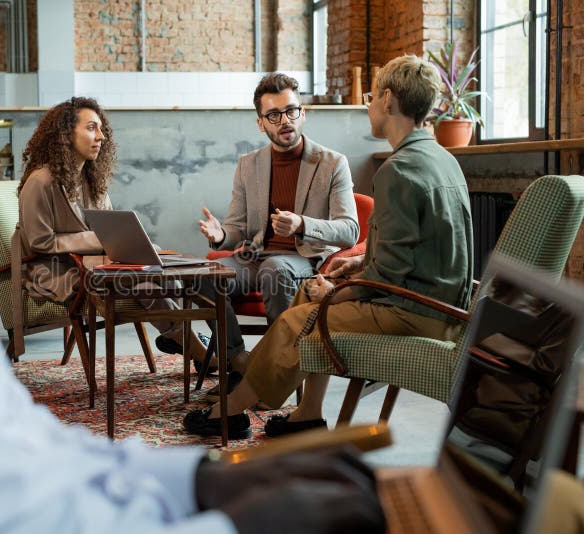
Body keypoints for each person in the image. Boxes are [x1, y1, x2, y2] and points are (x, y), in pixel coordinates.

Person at [0, 0, 385, 532]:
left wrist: (193, 483)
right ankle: (231, 367)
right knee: (220, 279)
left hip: (291, 261)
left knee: (225, 279)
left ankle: (238, 373)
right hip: (102, 271)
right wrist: (225, 523)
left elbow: (10, 445)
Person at [184, 55, 474, 439]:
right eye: (274, 115)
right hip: (438, 303)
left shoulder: (396, 170)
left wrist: (336, 291)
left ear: (388, 101)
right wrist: (354, 269)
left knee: (294, 319)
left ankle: (232, 410)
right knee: (304, 292)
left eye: (371, 97)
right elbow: (406, 252)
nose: (369, 105)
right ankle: (307, 412)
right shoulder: (442, 159)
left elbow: (381, 266)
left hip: (412, 311)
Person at [196, 72, 359, 393]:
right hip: (256, 256)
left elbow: (350, 230)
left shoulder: (332, 163)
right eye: (274, 115)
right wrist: (220, 237)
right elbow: (237, 227)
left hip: (303, 260)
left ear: (303, 113)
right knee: (205, 275)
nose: (285, 120)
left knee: (276, 268)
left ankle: (276, 372)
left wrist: (302, 224)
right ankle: (239, 362)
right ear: (261, 123)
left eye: (291, 110)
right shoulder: (248, 165)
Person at [17, 96, 208, 366]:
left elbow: (110, 231)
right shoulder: (40, 181)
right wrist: (98, 241)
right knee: (145, 284)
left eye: (101, 129)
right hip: (56, 271)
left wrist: (135, 245)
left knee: (165, 277)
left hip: (99, 266)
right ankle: (200, 352)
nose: (102, 136)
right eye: (92, 128)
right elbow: (39, 241)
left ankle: (185, 342)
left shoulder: (93, 181)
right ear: (65, 134)